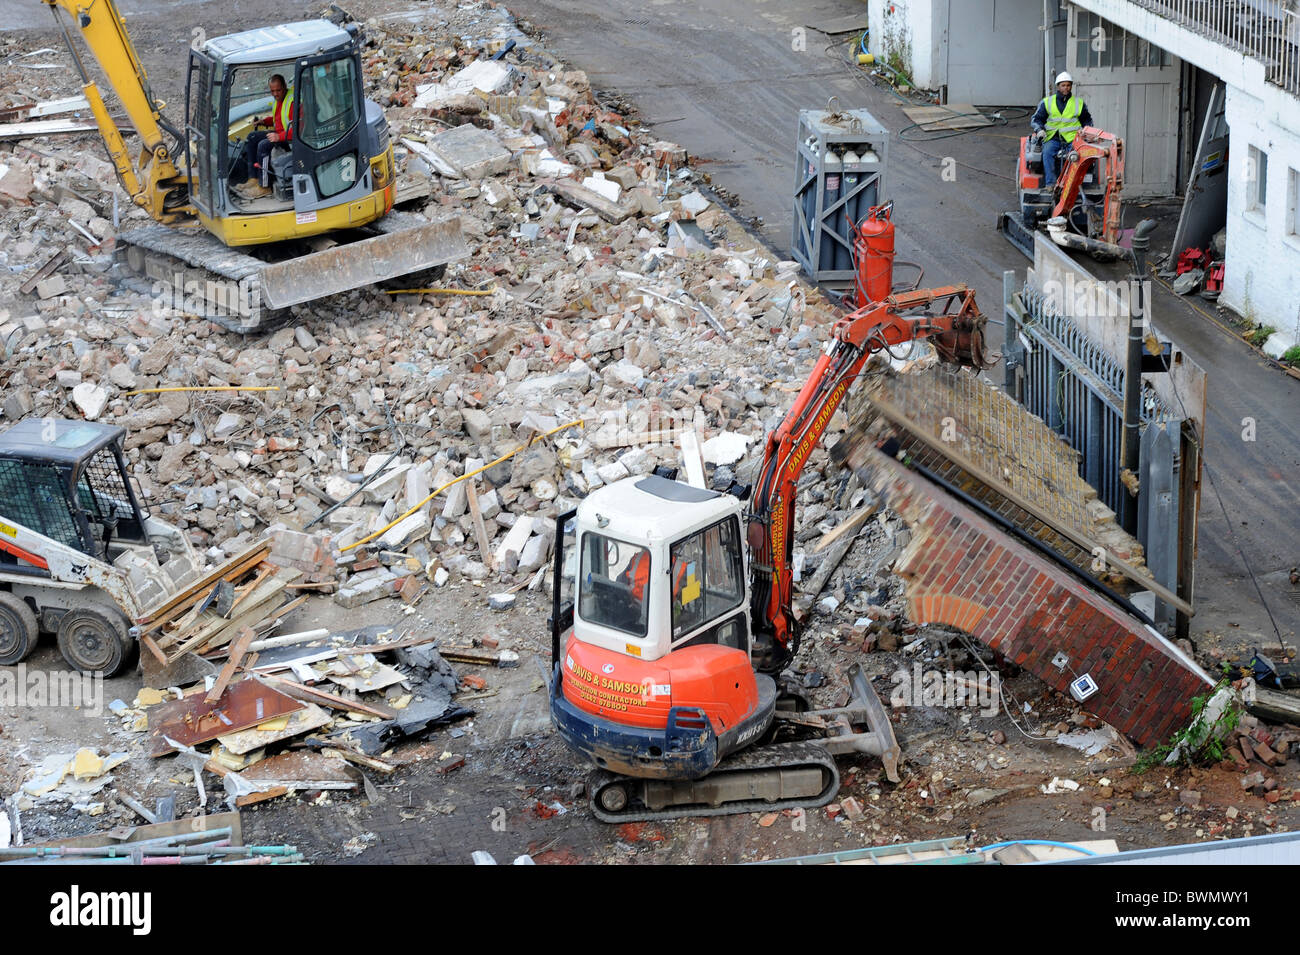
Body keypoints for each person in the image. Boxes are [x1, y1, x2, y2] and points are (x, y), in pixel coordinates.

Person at [229, 73, 295, 195]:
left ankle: (264, 186)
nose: (275, 94)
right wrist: (264, 121)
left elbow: (299, 129)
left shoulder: (293, 102)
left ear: (285, 86)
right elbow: (279, 118)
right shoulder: (279, 100)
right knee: (252, 137)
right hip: (281, 134)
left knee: (263, 145)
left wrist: (278, 136)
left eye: (278, 90)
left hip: (291, 139)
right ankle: (254, 178)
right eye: (272, 91)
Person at [1030, 71, 1093, 187]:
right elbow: (1037, 119)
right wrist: (1039, 130)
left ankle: (1071, 184)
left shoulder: (1078, 103)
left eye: (1068, 85)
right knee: (1047, 152)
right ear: (1058, 86)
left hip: (1072, 139)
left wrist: (1086, 132)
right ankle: (1051, 184)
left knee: (1077, 156)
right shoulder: (1047, 102)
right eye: (1063, 85)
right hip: (1053, 138)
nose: (1066, 88)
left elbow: (1087, 121)